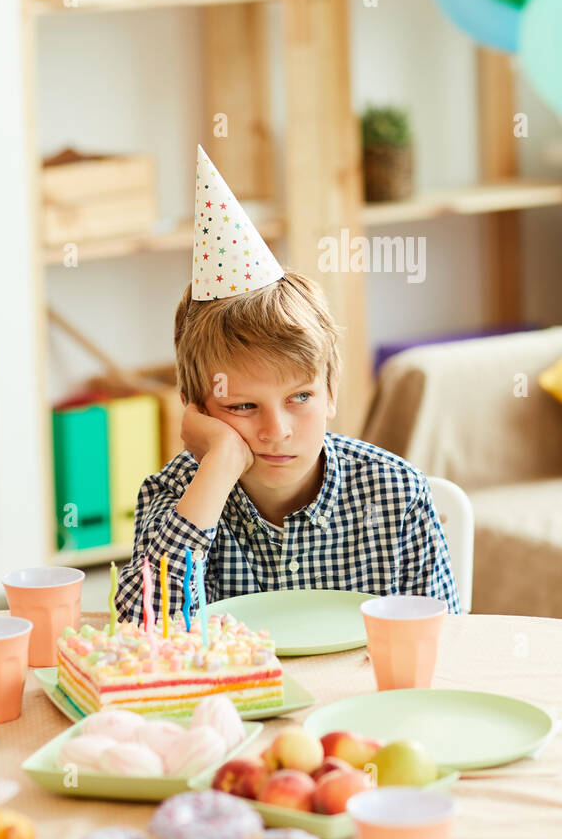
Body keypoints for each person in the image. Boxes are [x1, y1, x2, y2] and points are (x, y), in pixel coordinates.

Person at [114, 149, 461, 622]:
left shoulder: (396, 494)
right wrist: (219, 465)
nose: (276, 430)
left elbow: (446, 647)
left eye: (300, 397)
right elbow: (144, 631)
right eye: (242, 406)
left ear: (332, 390)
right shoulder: (175, 496)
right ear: (196, 409)